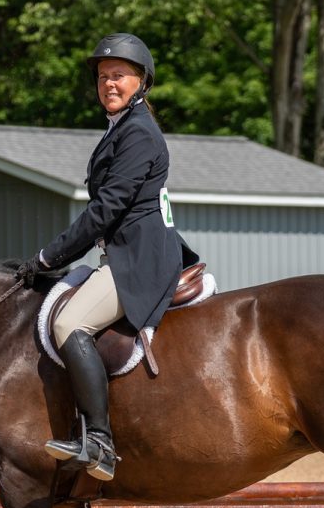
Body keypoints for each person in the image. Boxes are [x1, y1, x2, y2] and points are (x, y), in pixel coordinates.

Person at [16, 33, 200, 482]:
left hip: (140, 258)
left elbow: (107, 209)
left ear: (141, 82)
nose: (109, 84)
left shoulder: (138, 133)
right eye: (102, 77)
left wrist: (48, 255)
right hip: (126, 250)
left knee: (68, 323)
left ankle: (98, 440)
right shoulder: (122, 128)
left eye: (118, 75)